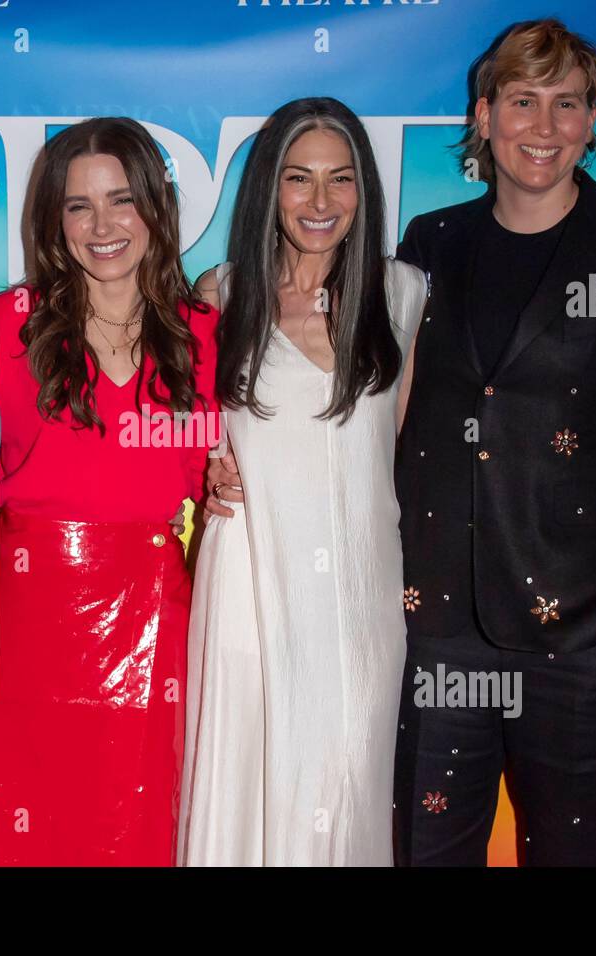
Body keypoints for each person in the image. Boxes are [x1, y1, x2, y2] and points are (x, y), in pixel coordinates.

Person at [389, 19, 596, 865]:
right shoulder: (432, 245)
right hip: (441, 629)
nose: (543, 127)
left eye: (565, 104)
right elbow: (381, 406)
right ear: (485, 113)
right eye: (524, 102)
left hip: (587, 634)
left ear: (591, 118)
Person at [0, 117, 218, 866]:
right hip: (29, 610)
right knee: (26, 816)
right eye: (79, 206)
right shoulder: (6, 323)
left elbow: (222, 475)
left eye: (122, 200)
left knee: (142, 819)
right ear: (54, 219)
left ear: (155, 209)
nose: (102, 225)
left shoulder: (204, 331)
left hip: (155, 615)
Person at [183, 98, 428, 866]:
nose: (320, 203)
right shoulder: (217, 296)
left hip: (360, 595)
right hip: (246, 588)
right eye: (298, 179)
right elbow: (185, 439)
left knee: (344, 790)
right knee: (245, 786)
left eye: (340, 179)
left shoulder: (405, 295)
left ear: (365, 190)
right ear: (269, 189)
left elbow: (387, 456)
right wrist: (207, 470)